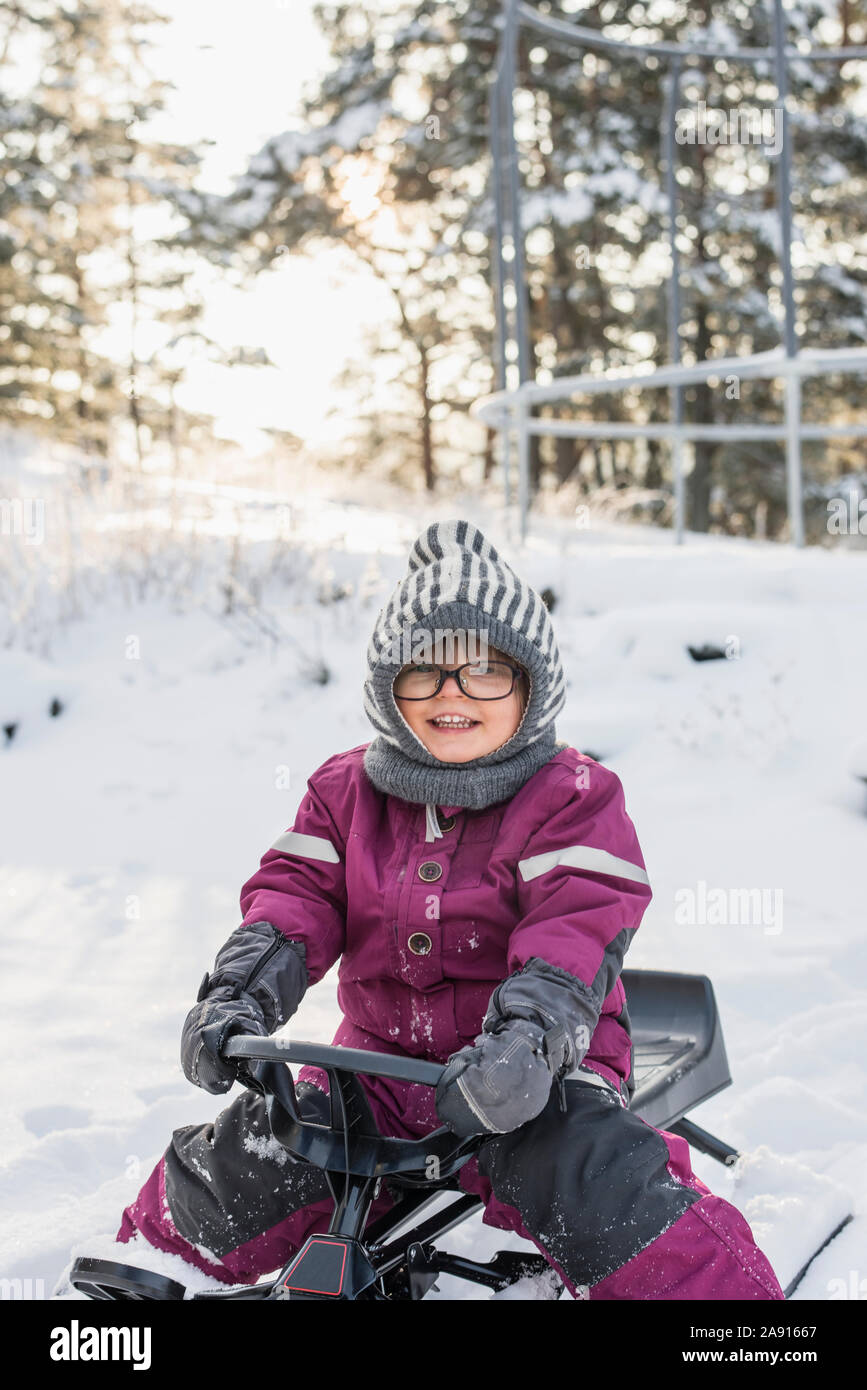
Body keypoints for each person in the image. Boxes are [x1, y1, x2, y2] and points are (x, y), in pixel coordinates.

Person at [110, 518, 784, 1300]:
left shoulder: (570, 797)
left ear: (530, 686)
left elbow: (574, 929)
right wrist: (237, 993)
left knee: (593, 1179)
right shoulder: (345, 790)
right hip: (377, 1068)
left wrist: (526, 1042)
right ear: (387, 690)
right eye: (423, 673)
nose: (452, 694)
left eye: (484, 673)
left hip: (534, 1069)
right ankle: (147, 1273)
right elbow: (295, 899)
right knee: (256, 1150)